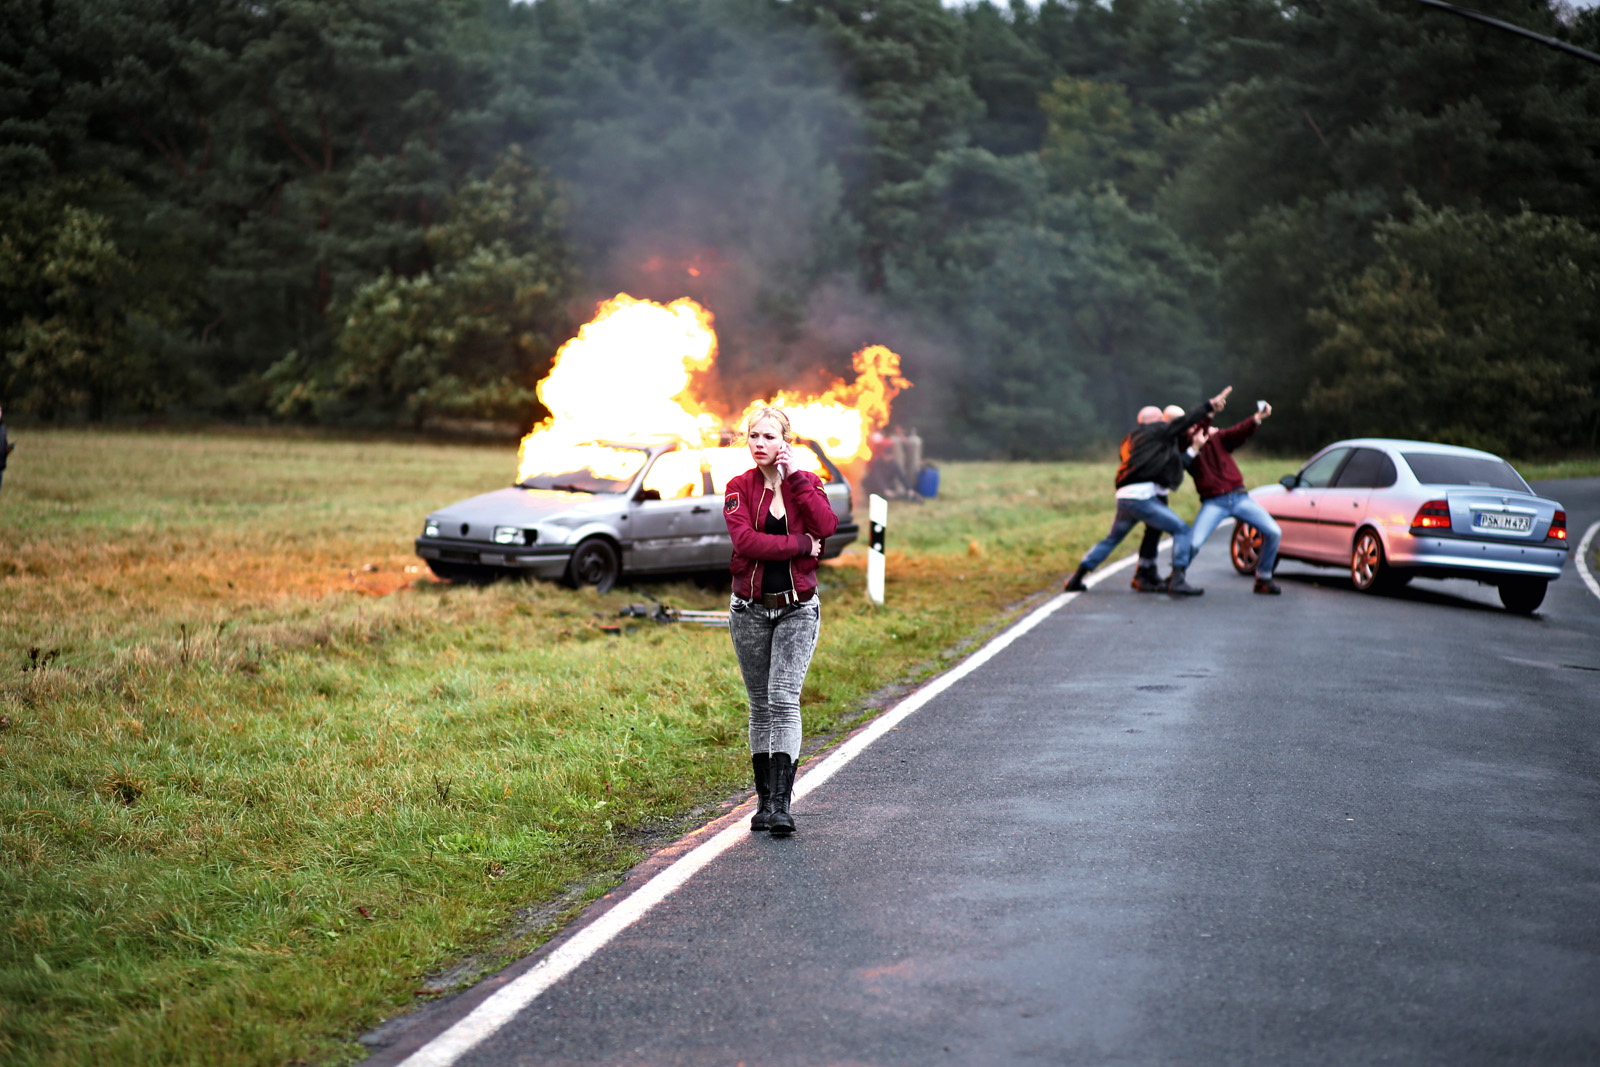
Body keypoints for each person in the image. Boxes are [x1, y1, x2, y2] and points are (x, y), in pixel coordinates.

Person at [724, 407, 839, 836]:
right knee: (759, 704)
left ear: (784, 440)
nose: (759, 444)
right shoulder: (738, 488)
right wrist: (801, 546)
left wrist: (794, 478)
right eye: (753, 436)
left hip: (797, 608)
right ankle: (764, 804)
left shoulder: (807, 482)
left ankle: (781, 807)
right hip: (750, 609)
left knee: (782, 698)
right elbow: (745, 542)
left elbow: (826, 525)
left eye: (768, 437)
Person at [1064, 386, 1232, 597]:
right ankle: (1178, 580)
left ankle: (1080, 577)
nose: (1165, 424)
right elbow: (1183, 423)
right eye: (1162, 420)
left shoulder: (1132, 439)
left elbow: (1172, 464)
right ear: (1155, 421)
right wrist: (1209, 407)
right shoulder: (1157, 431)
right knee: (1181, 530)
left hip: (1126, 498)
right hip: (1141, 498)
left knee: (1120, 537)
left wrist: (1194, 446)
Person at [1184, 401, 1283, 594]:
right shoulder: (1186, 448)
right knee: (1194, 542)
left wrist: (1256, 419)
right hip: (1213, 502)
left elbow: (1238, 432)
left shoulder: (1218, 438)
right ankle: (1177, 576)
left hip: (1239, 497)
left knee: (1273, 532)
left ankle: (1263, 578)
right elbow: (1187, 448)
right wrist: (1208, 418)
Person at [1129, 404, 1192, 593]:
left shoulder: (1170, 436)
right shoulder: (1162, 437)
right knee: (1174, 529)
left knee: (1153, 533)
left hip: (1158, 492)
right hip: (1149, 493)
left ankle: (1147, 570)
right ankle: (1147, 574)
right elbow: (1178, 465)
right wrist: (1193, 450)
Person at [0, 404, 10, 492]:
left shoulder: (3, 428)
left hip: (1, 466)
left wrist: (8, 450)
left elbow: (4, 445)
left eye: (0, 411)